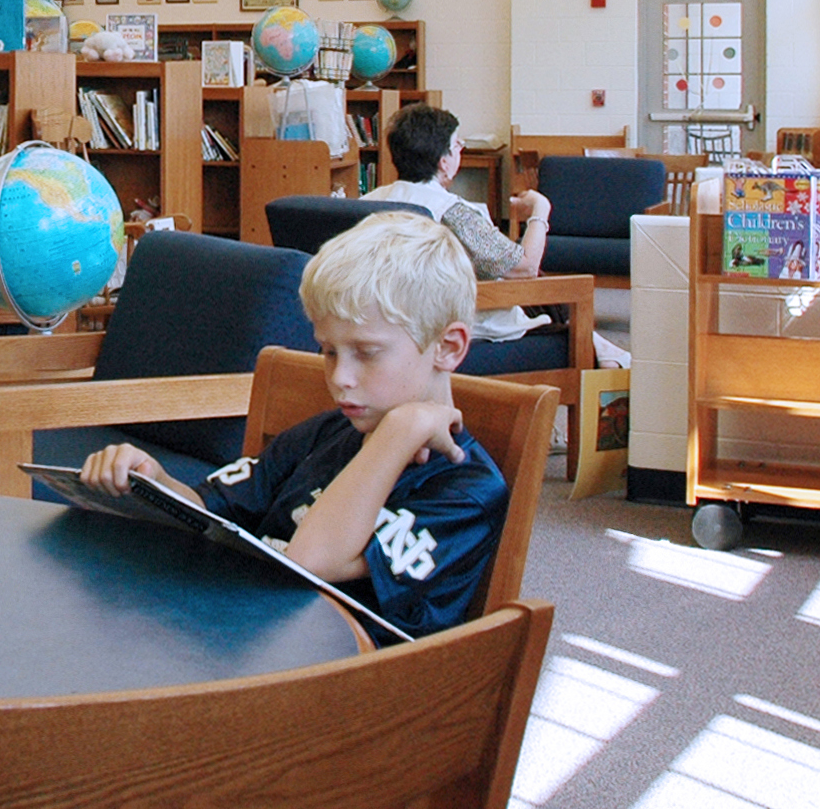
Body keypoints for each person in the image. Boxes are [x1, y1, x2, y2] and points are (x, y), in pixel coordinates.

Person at [80, 210, 510, 639]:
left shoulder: (467, 490)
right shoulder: (325, 433)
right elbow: (211, 511)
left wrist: (401, 431)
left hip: (337, 685)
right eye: (328, 351)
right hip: (242, 635)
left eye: (366, 352)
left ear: (448, 348)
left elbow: (309, 561)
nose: (340, 377)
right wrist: (156, 482)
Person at [367, 103, 561, 353]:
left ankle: (608, 354)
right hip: (458, 325)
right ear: (443, 161)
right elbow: (525, 268)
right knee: (557, 301)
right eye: (457, 144)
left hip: (391, 320)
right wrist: (540, 209)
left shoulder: (369, 202)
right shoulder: (452, 212)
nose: (461, 149)